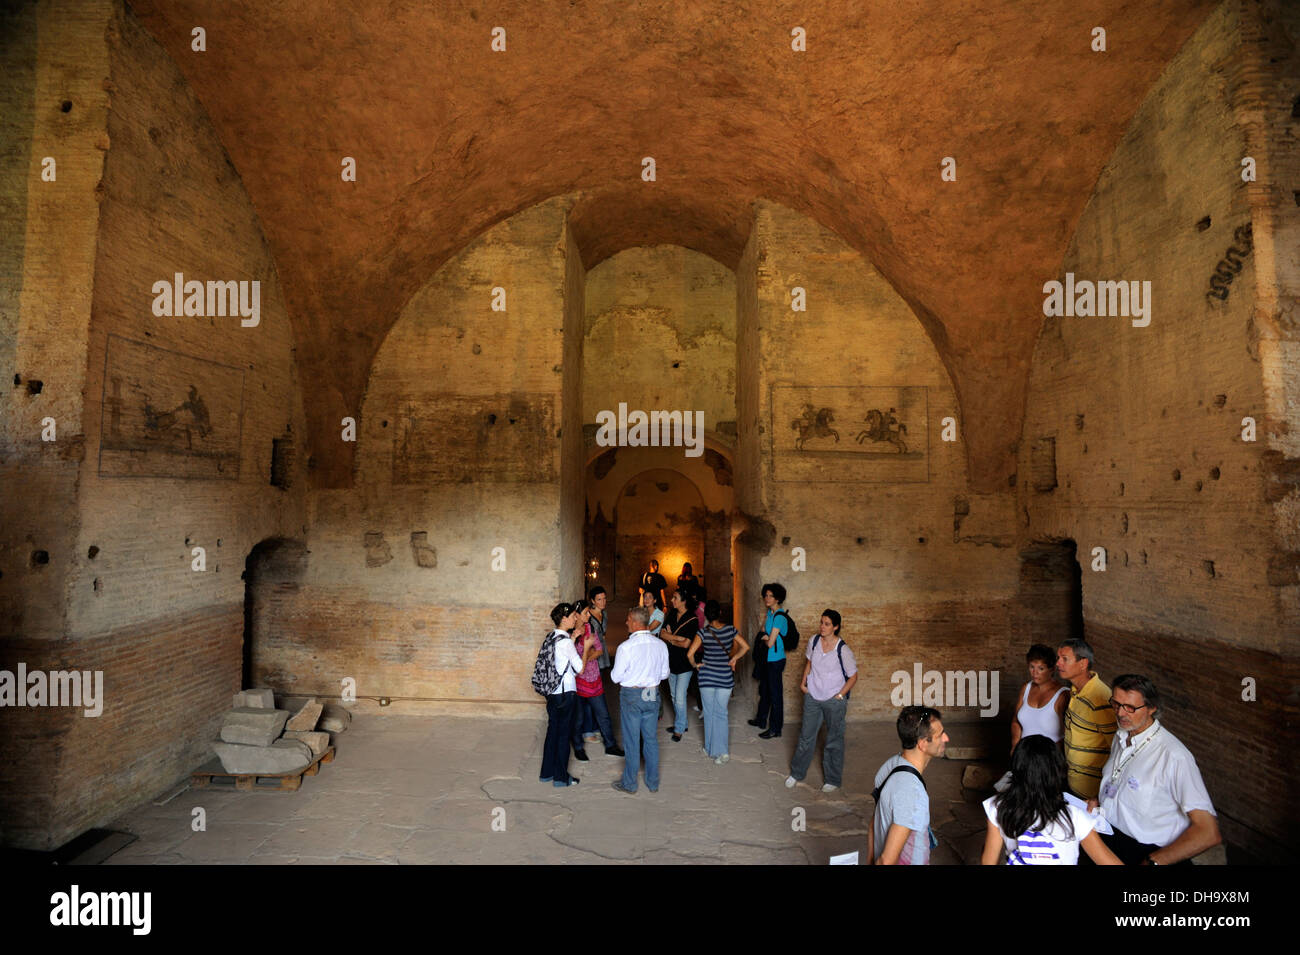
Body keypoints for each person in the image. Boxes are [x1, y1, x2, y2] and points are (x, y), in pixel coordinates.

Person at [1089, 675, 1221, 866]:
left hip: (1149, 853)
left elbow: (1208, 832)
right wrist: (1099, 800)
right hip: (1110, 839)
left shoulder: (1174, 757)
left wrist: (1154, 861)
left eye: (1131, 708)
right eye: (1116, 704)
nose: (1121, 713)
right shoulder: (1121, 736)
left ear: (1152, 708)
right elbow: (1118, 782)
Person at [981, 734, 1122, 865]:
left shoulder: (998, 807)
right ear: (1057, 771)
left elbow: (988, 862)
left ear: (1016, 770)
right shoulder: (1075, 816)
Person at [785, 609, 857, 792]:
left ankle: (832, 779)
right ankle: (797, 773)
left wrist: (840, 695)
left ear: (835, 627)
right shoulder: (814, 641)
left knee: (834, 739)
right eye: (821, 622)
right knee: (805, 737)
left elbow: (853, 676)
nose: (822, 627)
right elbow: (809, 663)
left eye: (827, 624)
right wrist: (803, 684)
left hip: (834, 700)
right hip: (813, 697)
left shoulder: (843, 649)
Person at [866, 706, 947, 865]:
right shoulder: (911, 792)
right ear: (923, 744)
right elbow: (886, 861)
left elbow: (874, 823)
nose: (946, 738)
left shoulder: (891, 765)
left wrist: (869, 861)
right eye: (940, 735)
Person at [610, 605, 670, 795]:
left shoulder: (625, 647)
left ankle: (630, 784)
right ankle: (653, 783)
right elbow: (664, 673)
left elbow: (615, 677)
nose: (626, 622)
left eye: (628, 619)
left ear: (636, 623)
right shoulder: (660, 645)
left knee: (632, 740)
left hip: (632, 696)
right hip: (652, 694)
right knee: (651, 739)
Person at [539, 602, 596, 788]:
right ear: (564, 619)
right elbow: (579, 669)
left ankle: (546, 773)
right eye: (572, 616)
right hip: (566, 694)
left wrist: (573, 638)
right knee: (563, 736)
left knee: (552, 733)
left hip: (552, 694)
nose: (575, 618)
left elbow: (561, 655)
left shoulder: (552, 637)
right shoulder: (566, 642)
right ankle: (561, 778)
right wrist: (586, 647)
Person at [688, 600, 748, 763]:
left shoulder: (703, 633)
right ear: (720, 613)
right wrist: (734, 658)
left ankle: (710, 748)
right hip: (725, 677)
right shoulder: (730, 630)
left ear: (706, 615)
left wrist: (696, 665)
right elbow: (745, 646)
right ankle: (722, 751)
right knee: (721, 713)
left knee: (709, 713)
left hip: (707, 676)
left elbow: (690, 654)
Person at [1057, 638, 1116, 799]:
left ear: (1083, 663)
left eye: (1065, 659)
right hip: (1075, 787)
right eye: (1058, 658)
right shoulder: (1076, 691)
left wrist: (1099, 797)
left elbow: (1117, 749)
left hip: (1093, 796)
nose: (1058, 663)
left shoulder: (1100, 699)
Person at [570, 598, 624, 760]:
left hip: (594, 679)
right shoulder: (570, 635)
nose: (588, 615)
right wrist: (585, 654)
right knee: (578, 718)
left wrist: (585, 657)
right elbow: (574, 665)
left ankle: (610, 745)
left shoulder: (590, 627)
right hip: (578, 683)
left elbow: (599, 650)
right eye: (585, 612)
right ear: (576, 615)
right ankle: (578, 747)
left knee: (604, 715)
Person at [749, 583, 790, 739]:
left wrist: (766, 638)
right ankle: (760, 720)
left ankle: (775, 729)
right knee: (764, 691)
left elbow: (770, 642)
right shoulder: (770, 613)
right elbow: (763, 631)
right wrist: (765, 636)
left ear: (777, 598)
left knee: (775, 695)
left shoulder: (779, 616)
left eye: (770, 596)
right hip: (768, 658)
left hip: (776, 660)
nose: (766, 598)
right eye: (765, 595)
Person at [1010, 644, 1068, 751]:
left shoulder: (1062, 695)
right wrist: (1015, 746)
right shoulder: (1026, 688)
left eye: (1041, 668)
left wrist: (1053, 757)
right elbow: (1016, 721)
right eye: (1032, 667)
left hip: (1050, 757)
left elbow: (1068, 734)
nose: (1035, 672)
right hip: (1024, 754)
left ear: (1052, 669)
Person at [660, 589, 700, 742]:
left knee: (680, 698)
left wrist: (670, 638)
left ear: (684, 601)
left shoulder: (692, 619)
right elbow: (662, 634)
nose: (672, 600)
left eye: (675, 598)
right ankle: (681, 723)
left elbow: (686, 644)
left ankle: (678, 729)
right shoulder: (671, 614)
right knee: (674, 696)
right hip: (671, 661)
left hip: (685, 664)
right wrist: (675, 638)